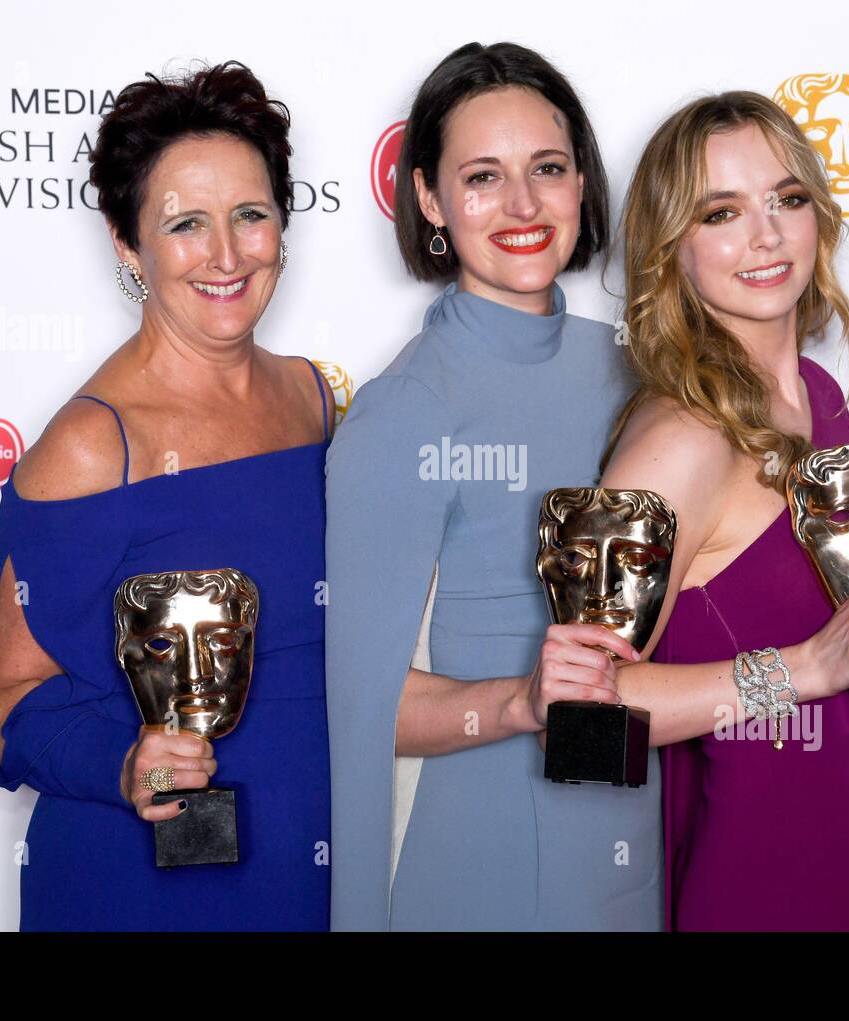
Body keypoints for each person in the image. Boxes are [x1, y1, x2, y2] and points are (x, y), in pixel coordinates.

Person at [0, 62, 331, 931]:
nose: (227, 255)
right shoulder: (92, 443)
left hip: (307, 863)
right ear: (127, 245)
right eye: (185, 225)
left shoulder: (314, 398)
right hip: (136, 881)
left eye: (250, 215)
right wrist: (125, 763)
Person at [325, 41, 661, 932]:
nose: (522, 205)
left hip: (626, 838)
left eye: (547, 169)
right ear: (430, 199)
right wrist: (519, 702)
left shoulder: (639, 371)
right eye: (482, 176)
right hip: (478, 853)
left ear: (582, 183)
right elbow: (368, 709)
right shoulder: (406, 410)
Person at [599, 91, 849, 930]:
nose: (767, 234)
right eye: (722, 211)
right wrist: (802, 668)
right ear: (671, 249)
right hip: (761, 877)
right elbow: (582, 716)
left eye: (786, 199)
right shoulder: (679, 441)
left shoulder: (816, 394)